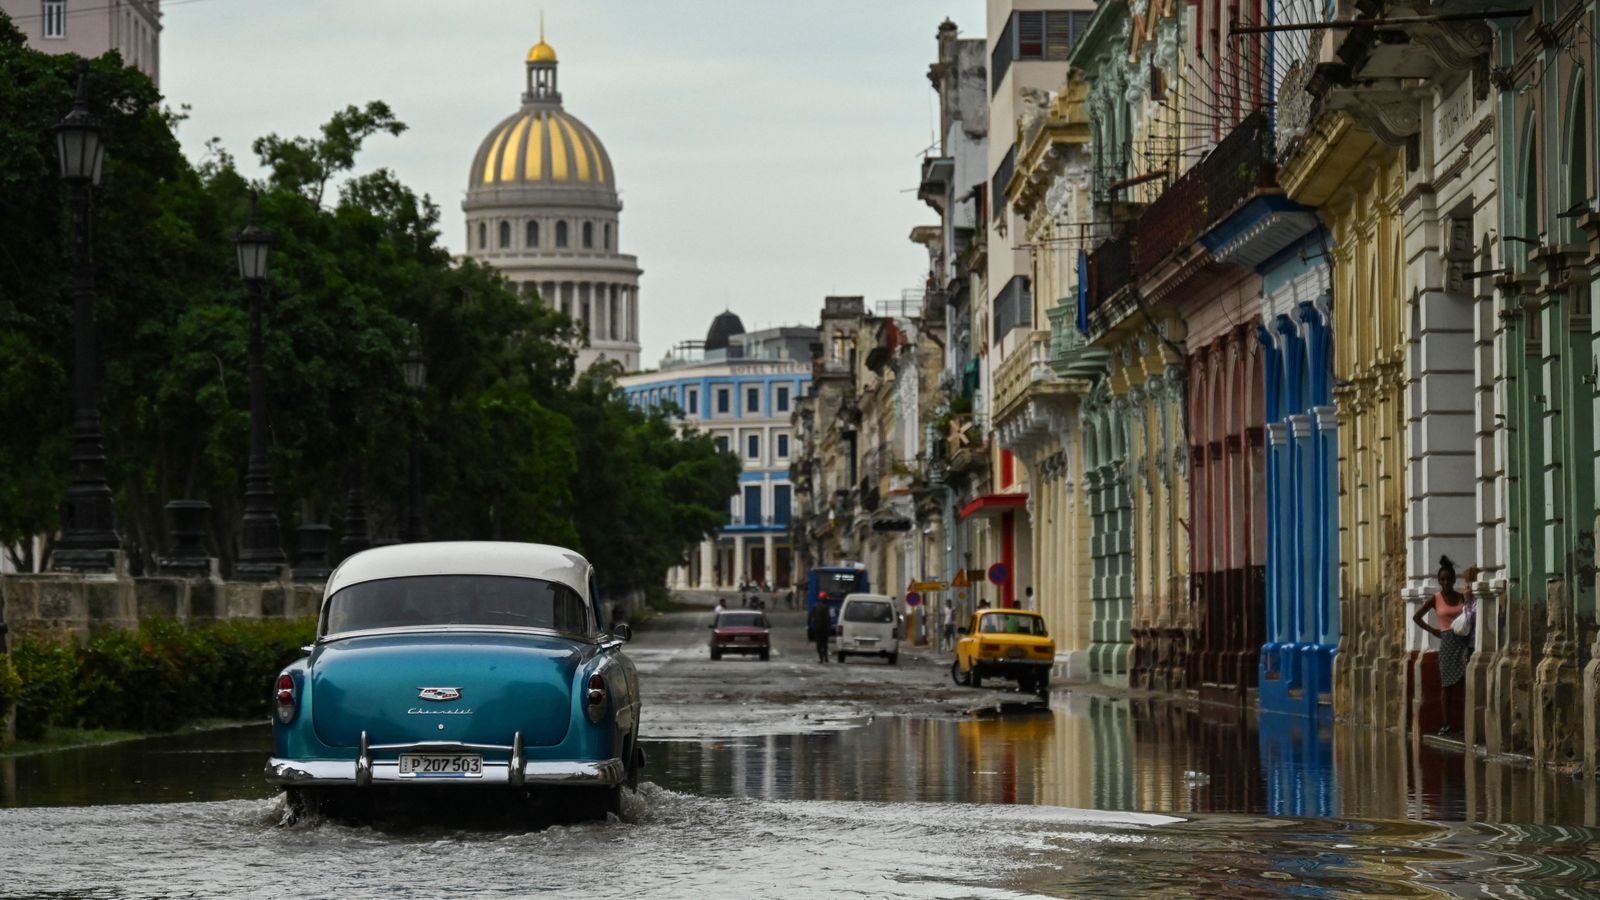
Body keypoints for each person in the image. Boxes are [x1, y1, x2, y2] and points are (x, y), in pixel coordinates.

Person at [1411, 555, 1472, 735]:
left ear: (1454, 579)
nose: (1445, 582)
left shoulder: (1462, 597)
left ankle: (1462, 723)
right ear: (1439, 581)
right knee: (1446, 685)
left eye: (1448, 579)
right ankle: (1446, 723)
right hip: (1446, 644)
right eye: (1442, 579)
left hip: (1462, 641)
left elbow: (1470, 616)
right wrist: (1434, 631)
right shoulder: (1435, 599)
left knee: (1462, 683)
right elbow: (1416, 617)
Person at [807, 599, 832, 663]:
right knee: (825, 643)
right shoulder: (826, 607)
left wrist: (808, 625)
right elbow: (828, 618)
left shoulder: (815, 607)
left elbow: (810, 616)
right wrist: (829, 627)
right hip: (825, 628)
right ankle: (826, 657)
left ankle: (821, 658)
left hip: (817, 628)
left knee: (819, 643)